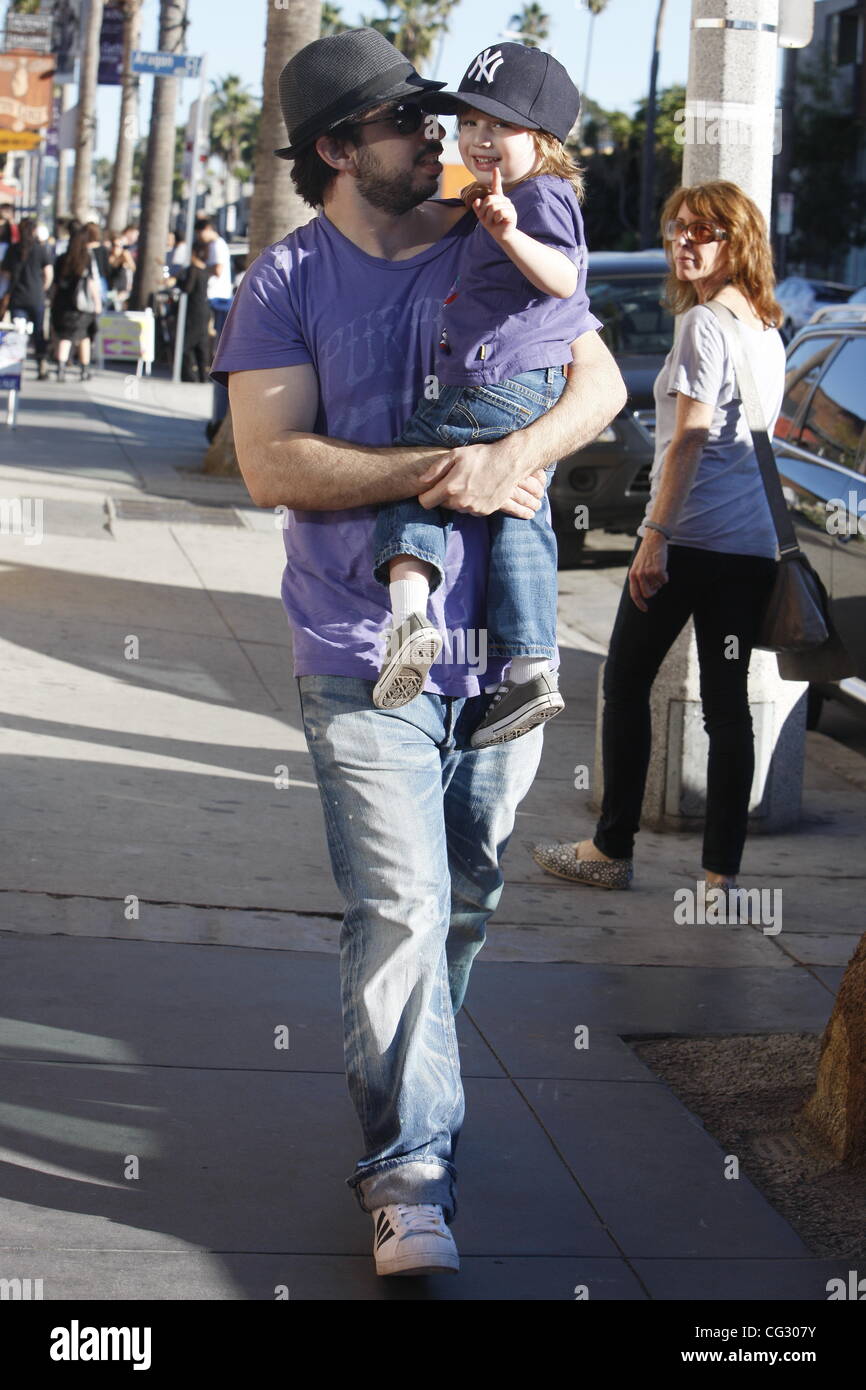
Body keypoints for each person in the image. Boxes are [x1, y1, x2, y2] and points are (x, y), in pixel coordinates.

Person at [212, 27, 625, 1279]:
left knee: (469, 898)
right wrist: (449, 468)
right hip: (356, 643)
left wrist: (517, 454)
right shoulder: (284, 281)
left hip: (500, 652)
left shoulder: (492, 240)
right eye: (405, 122)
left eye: (438, 118)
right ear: (339, 150)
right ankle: (407, 1168)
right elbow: (273, 461)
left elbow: (599, 388)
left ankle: (421, 1108)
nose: (437, 137)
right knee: (398, 904)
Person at [531, 180, 785, 896]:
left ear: (737, 243)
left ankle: (611, 848)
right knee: (729, 706)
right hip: (750, 549)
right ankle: (720, 877)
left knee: (626, 683)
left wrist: (653, 536)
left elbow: (688, 443)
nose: (685, 242)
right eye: (678, 229)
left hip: (691, 543)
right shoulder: (767, 328)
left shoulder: (707, 325)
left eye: (703, 232)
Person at [370, 45, 600, 748]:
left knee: (414, 472)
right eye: (469, 122)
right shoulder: (494, 198)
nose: (478, 138)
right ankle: (530, 666)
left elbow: (566, 278)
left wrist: (506, 229)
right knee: (515, 515)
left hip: (500, 381)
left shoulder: (539, 198)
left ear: (546, 141)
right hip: (526, 385)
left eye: (498, 126)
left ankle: (411, 617)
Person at [0, 217, 54, 379]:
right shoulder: (41, 249)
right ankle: (41, 363)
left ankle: (17, 365)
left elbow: (6, 274)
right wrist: (42, 289)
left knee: (18, 333)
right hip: (36, 296)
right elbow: (48, 274)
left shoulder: (13, 250)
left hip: (17, 296)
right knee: (38, 332)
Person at [51, 222, 104, 382]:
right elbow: (92, 282)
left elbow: (55, 283)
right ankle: (84, 370)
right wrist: (97, 302)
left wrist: (52, 300)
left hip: (62, 303)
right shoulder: (87, 258)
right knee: (84, 337)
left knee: (65, 336)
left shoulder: (62, 259)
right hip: (82, 304)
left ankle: (61, 368)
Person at [177, 239, 210, 381]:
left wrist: (179, 280)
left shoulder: (193, 270)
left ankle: (189, 376)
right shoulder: (205, 270)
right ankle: (203, 376)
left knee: (184, 344)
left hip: (193, 311)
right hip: (204, 309)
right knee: (201, 346)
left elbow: (187, 288)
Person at [104, 233, 135, 310]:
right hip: (109, 292)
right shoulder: (107, 257)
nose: (116, 248)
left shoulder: (124, 257)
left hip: (122, 293)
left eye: (119, 246)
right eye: (114, 245)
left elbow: (133, 269)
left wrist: (127, 258)